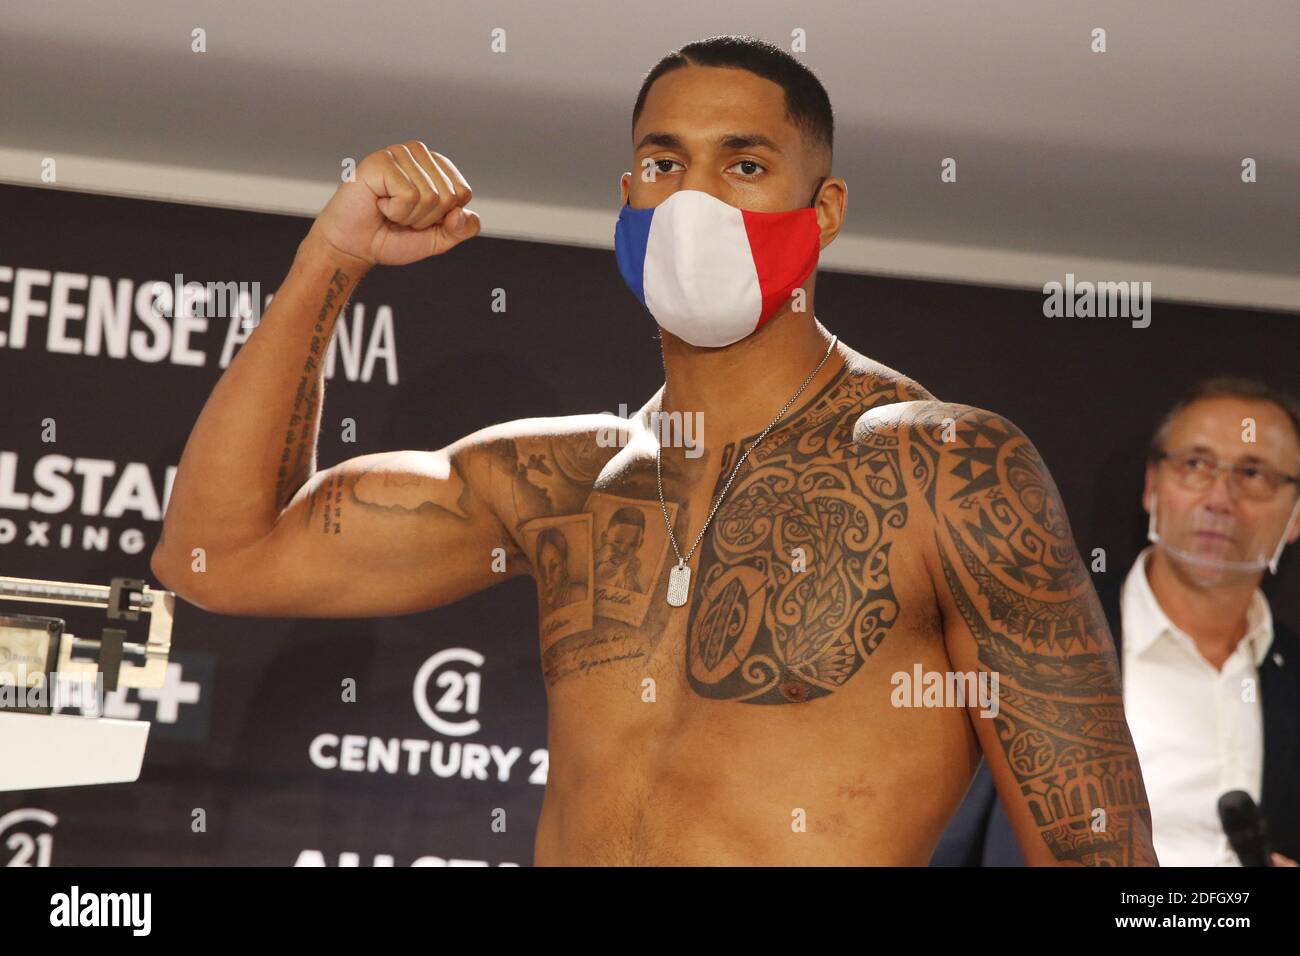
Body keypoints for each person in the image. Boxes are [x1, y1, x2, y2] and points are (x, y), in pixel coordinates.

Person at [151, 35, 1157, 865]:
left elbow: (1099, 852)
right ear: (627, 193)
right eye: (664, 163)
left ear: (826, 209)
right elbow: (214, 557)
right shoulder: (558, 480)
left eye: (745, 163)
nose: (695, 200)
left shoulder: (945, 467)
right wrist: (331, 255)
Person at [933, 377, 1300, 867]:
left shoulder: (1290, 676)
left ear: (1295, 514)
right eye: (1195, 465)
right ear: (1153, 487)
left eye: (1254, 474)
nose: (1220, 499)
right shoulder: (1034, 641)